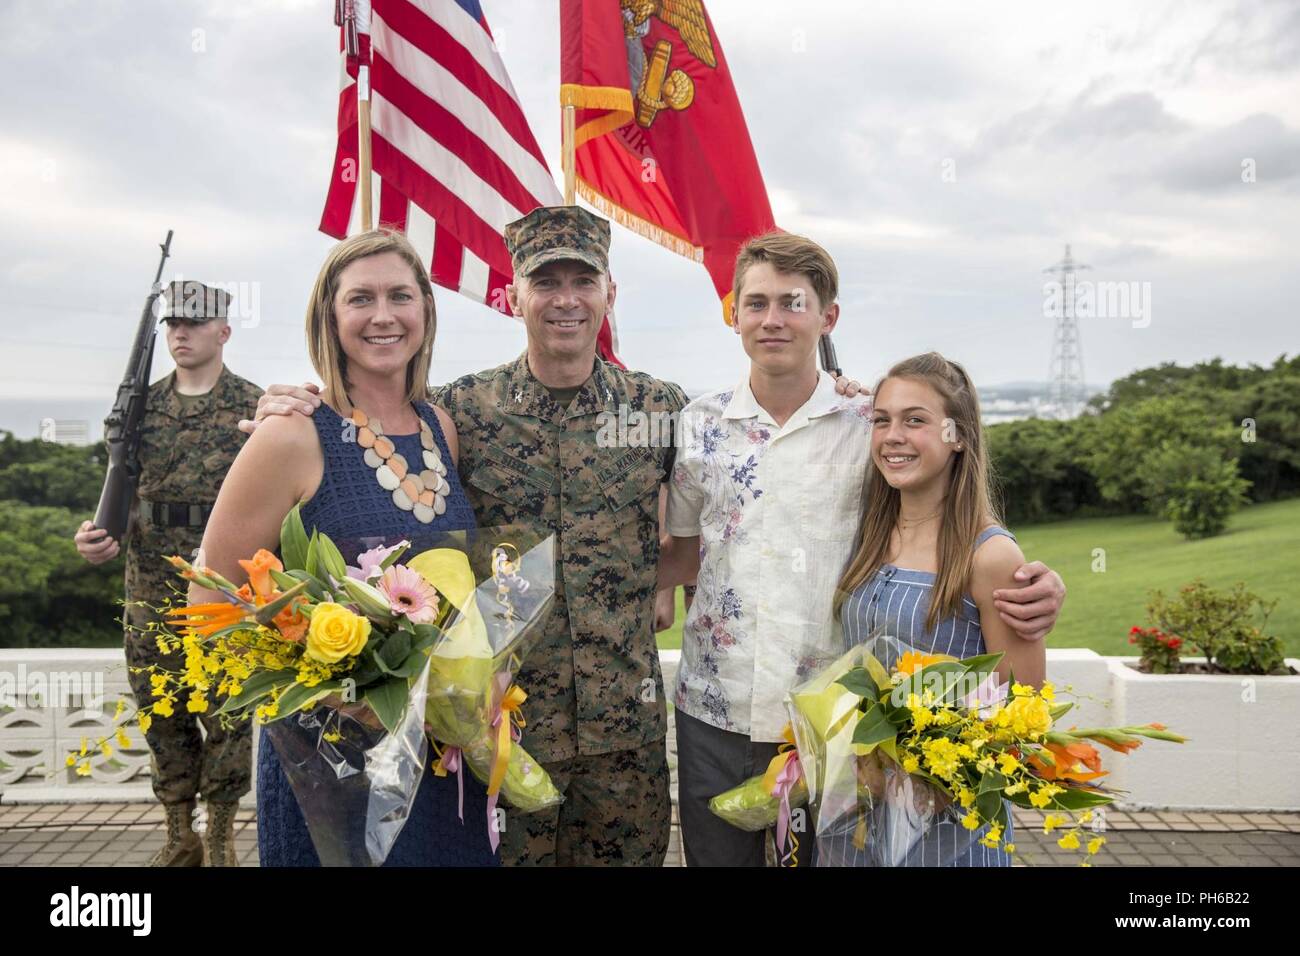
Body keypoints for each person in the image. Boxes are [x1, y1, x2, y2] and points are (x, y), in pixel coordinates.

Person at [247, 207, 689, 865]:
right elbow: (374, 439)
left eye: (583, 280)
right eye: (545, 282)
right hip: (495, 733)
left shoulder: (660, 409)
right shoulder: (460, 413)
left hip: (623, 734)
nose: (565, 299)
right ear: (514, 297)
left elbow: (717, 509)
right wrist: (282, 407)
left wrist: (846, 400)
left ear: (609, 293)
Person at [658, 233, 1064, 867]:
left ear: (828, 317)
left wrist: (1031, 576)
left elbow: (948, 505)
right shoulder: (698, 423)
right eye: (756, 302)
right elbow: (681, 556)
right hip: (716, 707)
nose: (772, 320)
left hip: (843, 726)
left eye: (793, 303)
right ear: (733, 312)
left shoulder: (868, 418)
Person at [188, 230, 497, 866]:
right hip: (330, 772)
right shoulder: (291, 435)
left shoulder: (440, 429)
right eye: (361, 299)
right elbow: (206, 601)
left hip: (442, 763)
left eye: (400, 297)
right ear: (330, 317)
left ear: (425, 313)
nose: (383, 316)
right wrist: (335, 688)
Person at [829, 351, 1047, 866]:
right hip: (857, 818)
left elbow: (1026, 712)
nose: (893, 436)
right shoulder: (866, 536)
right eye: (881, 420)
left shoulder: (991, 556)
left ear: (960, 436)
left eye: (916, 420)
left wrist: (932, 769)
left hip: (949, 829)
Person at [74, 279, 262, 866]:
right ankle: (181, 835)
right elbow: (121, 491)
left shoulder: (252, 407)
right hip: (150, 585)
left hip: (225, 580)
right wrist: (100, 535)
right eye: (172, 324)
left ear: (223, 331)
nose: (180, 332)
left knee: (227, 711)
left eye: (195, 322)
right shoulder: (140, 409)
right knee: (163, 708)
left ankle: (225, 836)